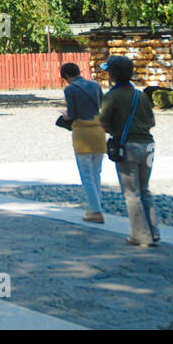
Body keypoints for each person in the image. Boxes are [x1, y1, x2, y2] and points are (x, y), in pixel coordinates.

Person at [98, 54, 159, 247]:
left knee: (131, 192)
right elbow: (151, 122)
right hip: (148, 146)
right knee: (145, 189)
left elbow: (103, 124)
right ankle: (154, 231)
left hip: (128, 147)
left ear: (113, 75)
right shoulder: (141, 95)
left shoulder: (112, 97)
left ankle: (140, 235)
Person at [60, 61, 106, 223]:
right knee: (96, 172)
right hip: (98, 130)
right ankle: (95, 206)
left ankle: (95, 211)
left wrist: (64, 115)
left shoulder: (70, 89)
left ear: (66, 76)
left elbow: (72, 114)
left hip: (82, 132)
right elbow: (102, 104)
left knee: (86, 174)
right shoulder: (95, 85)